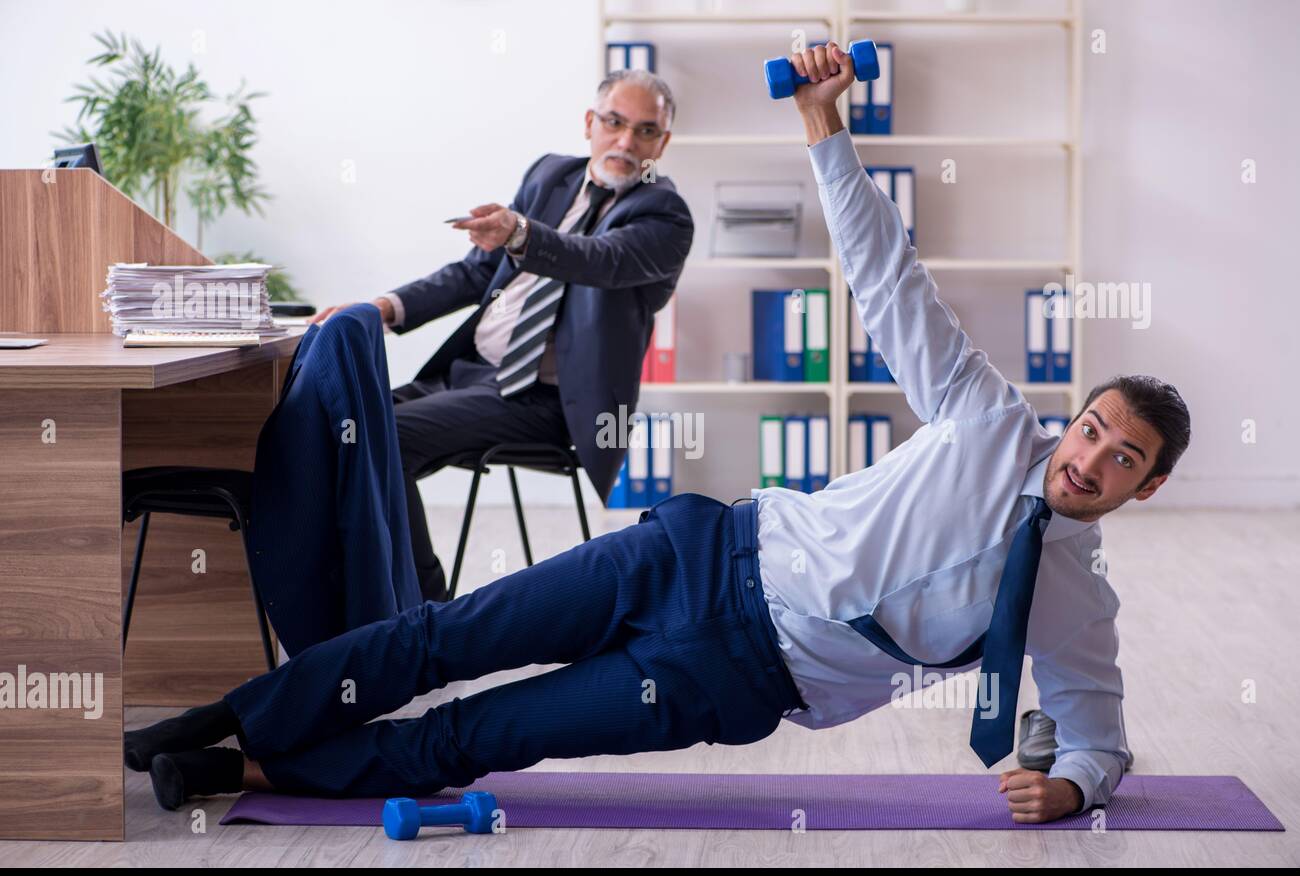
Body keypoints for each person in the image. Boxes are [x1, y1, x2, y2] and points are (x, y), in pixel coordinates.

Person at [125, 42, 1189, 825]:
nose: (1089, 457)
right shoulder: (988, 419)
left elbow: (1097, 729)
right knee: (449, 639)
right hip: (696, 550)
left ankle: (245, 771)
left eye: (1122, 459)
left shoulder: (1076, 599)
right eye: (1093, 428)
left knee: (486, 735)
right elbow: (886, 278)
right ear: (1073, 415)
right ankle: (223, 716)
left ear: (1143, 489)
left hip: (734, 677)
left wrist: (1071, 782)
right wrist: (824, 123)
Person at [313, 69, 694, 602]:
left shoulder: (665, 216)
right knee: (335, 421)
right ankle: (352, 602)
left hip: (546, 402)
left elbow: (598, 261)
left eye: (646, 131)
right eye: (615, 122)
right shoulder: (550, 176)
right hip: (470, 377)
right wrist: (381, 308)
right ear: (590, 123)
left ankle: (426, 615)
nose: (627, 142)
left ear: (664, 142)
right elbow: (474, 273)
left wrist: (520, 233)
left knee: (385, 436)